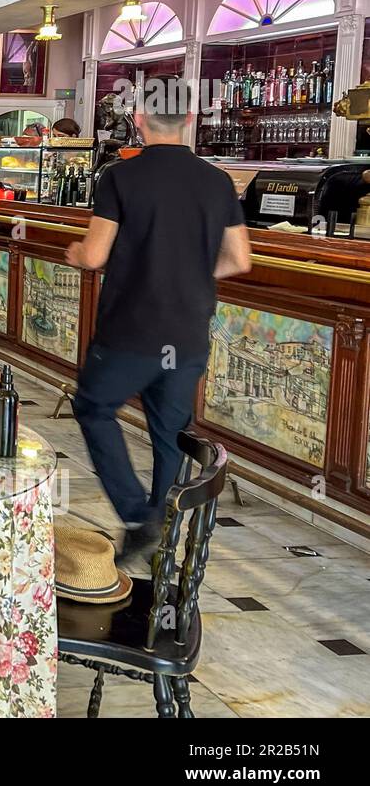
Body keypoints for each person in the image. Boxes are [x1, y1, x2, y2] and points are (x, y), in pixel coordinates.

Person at [66, 77, 252, 568]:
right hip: (187, 332)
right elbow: (239, 260)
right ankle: (164, 532)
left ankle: (138, 516)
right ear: (190, 119)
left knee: (93, 407)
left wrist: (75, 251)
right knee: (170, 434)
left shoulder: (120, 177)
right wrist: (188, 273)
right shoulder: (217, 179)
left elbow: (94, 254)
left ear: (140, 120)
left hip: (130, 329)